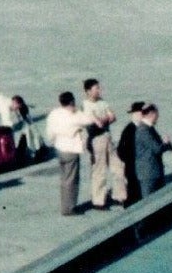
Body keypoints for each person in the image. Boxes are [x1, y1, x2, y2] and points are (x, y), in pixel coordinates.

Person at [44, 90, 88, 216]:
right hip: (71, 149)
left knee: (64, 179)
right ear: (72, 102)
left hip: (59, 148)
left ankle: (65, 205)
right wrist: (77, 110)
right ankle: (69, 208)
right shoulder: (73, 115)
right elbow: (87, 120)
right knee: (72, 179)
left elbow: (50, 132)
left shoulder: (54, 114)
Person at [80, 78, 121, 209]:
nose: (99, 90)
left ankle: (119, 195)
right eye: (96, 88)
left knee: (118, 167)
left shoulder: (102, 102)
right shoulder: (86, 105)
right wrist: (105, 119)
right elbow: (97, 123)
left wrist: (103, 119)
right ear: (88, 91)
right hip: (96, 139)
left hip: (107, 136)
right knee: (99, 170)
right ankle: (98, 200)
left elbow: (113, 116)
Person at [134, 103, 172, 197]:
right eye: (157, 114)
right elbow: (157, 148)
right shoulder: (143, 130)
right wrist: (166, 144)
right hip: (149, 174)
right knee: (149, 204)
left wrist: (171, 147)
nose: (158, 117)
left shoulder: (149, 128)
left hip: (153, 172)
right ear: (152, 114)